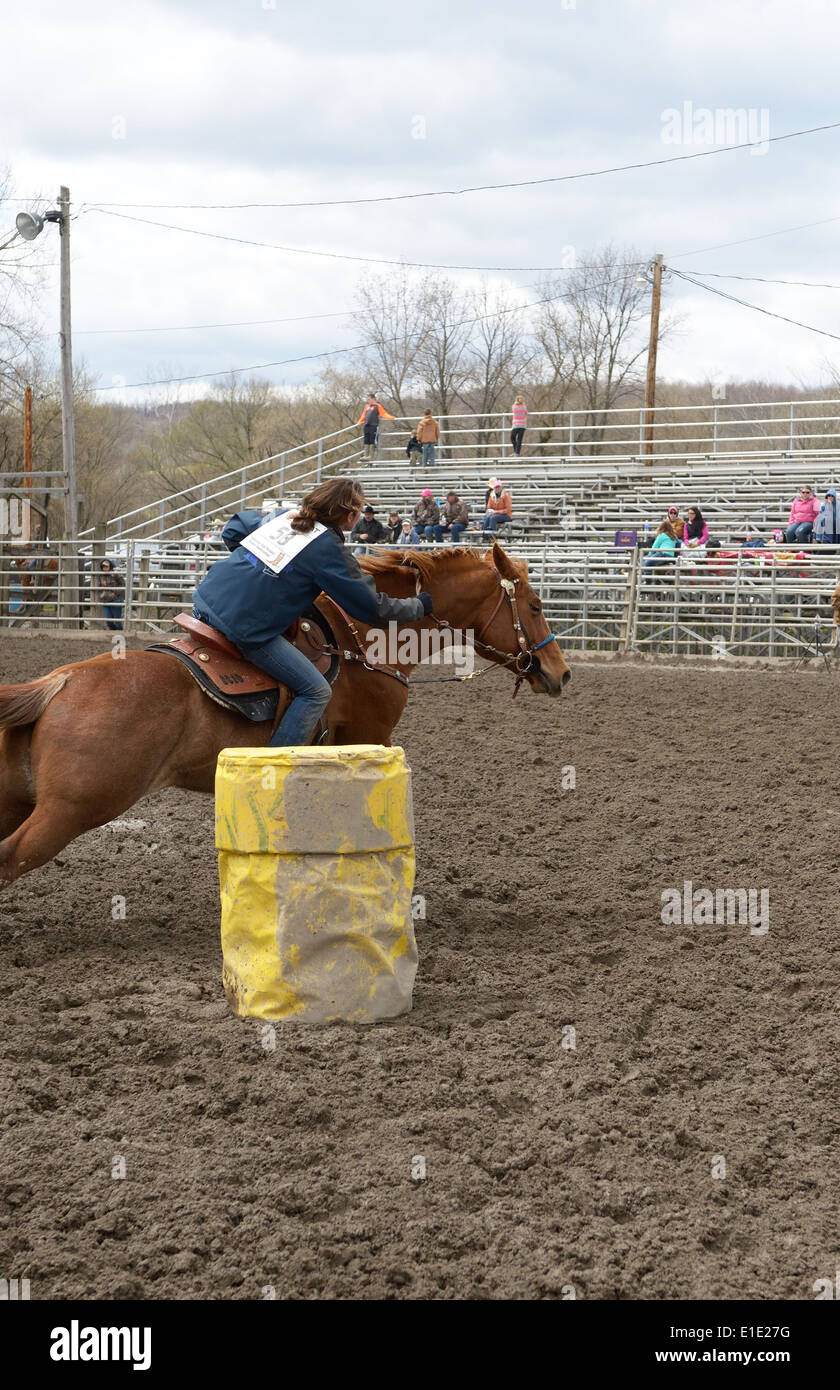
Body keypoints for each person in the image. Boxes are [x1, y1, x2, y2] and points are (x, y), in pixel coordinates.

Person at [192, 476, 433, 748]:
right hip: (242, 626)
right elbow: (371, 607)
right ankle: (275, 765)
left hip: (204, 599)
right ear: (351, 515)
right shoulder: (327, 548)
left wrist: (256, 569)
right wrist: (419, 606)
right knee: (317, 690)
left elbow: (234, 528)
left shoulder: (285, 516)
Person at [356, 394, 395, 461]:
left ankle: (371, 456)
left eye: (369, 399)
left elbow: (383, 413)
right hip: (366, 425)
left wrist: (391, 417)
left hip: (373, 425)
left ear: (373, 399)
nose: (368, 401)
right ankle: (365, 455)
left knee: (372, 440)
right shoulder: (367, 406)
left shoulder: (377, 406)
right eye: (367, 399)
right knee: (366, 440)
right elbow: (363, 415)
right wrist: (359, 422)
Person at [93, 558, 124, 630]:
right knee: (108, 621)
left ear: (110, 567)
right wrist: (102, 595)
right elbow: (99, 586)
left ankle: (120, 632)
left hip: (116, 600)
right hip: (105, 600)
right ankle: (114, 632)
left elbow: (122, 585)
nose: (105, 568)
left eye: (106, 567)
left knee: (117, 620)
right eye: (103, 567)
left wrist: (115, 594)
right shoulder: (101, 576)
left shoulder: (115, 574)